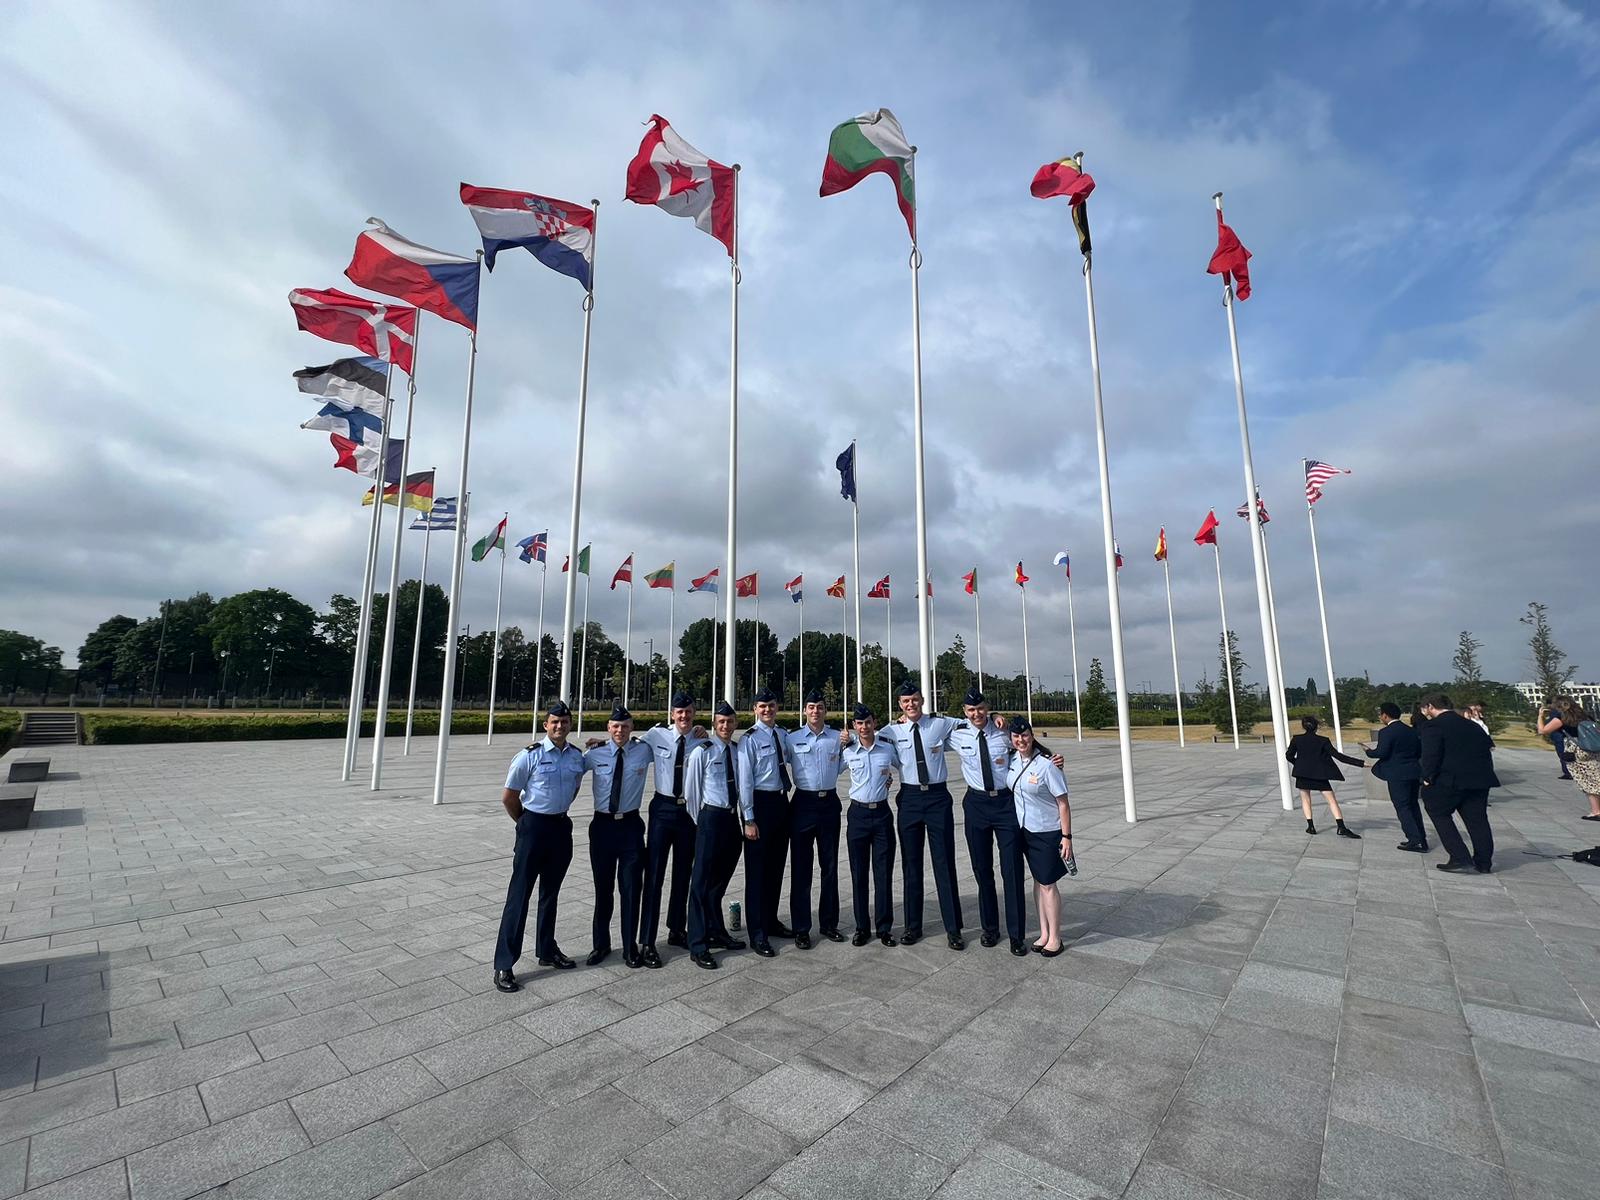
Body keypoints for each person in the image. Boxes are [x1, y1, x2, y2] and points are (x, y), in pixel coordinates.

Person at [493, 701, 589, 993]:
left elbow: (574, 787)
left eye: (564, 722)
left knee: (551, 894)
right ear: (545, 725)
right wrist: (525, 823)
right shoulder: (528, 756)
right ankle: (504, 963)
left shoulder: (576, 756)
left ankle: (547, 949)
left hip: (560, 827)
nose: (560, 726)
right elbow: (509, 796)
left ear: (570, 725)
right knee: (519, 896)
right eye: (554, 722)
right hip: (533, 827)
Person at [874, 680, 965, 950]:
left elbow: (968, 723)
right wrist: (847, 738)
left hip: (937, 797)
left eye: (914, 699)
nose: (910, 704)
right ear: (899, 705)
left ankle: (953, 929)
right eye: (905, 701)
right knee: (911, 865)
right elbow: (868, 739)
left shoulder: (939, 724)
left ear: (922, 700)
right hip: (910, 798)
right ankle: (912, 926)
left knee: (944, 863)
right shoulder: (892, 730)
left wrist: (994, 718)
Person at [948, 688, 1029, 956]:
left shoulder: (1004, 733)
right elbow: (927, 725)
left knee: (1012, 870)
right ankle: (990, 928)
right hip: (976, 805)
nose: (976, 714)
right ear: (964, 712)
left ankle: (1017, 934)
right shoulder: (957, 734)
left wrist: (1054, 759)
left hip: (1006, 804)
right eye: (971, 710)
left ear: (987, 707)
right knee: (982, 870)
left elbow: (1028, 746)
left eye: (981, 708)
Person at [638, 693, 708, 967]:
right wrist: (601, 744)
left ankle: (677, 929)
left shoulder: (701, 739)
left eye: (688, 712)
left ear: (694, 713)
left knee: (683, 873)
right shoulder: (656, 736)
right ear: (671, 714)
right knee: (654, 875)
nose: (684, 717)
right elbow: (628, 745)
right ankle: (647, 940)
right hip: (663, 810)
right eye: (679, 712)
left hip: (688, 811)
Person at [684, 702, 754, 970]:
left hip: (730, 819)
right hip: (710, 818)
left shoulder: (738, 752)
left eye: (730, 722)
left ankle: (716, 930)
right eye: (721, 722)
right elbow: (691, 793)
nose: (726, 726)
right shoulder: (703, 751)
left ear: (736, 724)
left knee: (719, 882)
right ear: (714, 725)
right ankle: (698, 943)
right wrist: (701, 822)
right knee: (700, 883)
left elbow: (745, 785)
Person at [582, 702, 652, 968]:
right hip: (602, 827)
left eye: (625, 726)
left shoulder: (644, 750)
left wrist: (700, 730)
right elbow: (571, 768)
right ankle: (601, 944)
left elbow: (676, 743)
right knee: (603, 889)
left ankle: (630, 947)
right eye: (615, 726)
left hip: (631, 827)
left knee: (631, 889)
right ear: (608, 728)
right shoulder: (594, 755)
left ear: (632, 728)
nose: (620, 730)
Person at [1004, 718, 1073, 958]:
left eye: (1024, 735)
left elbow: (1062, 803)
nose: (1020, 740)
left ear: (1032, 736)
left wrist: (1066, 836)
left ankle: (1056, 937)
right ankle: (1043, 932)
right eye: (1016, 736)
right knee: (1037, 882)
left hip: (1046, 831)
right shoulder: (1012, 761)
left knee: (1048, 884)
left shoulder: (1048, 765)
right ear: (1011, 739)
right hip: (1023, 830)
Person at [736, 687, 794, 957]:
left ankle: (771, 921)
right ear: (754, 710)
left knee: (776, 867)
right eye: (762, 706)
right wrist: (748, 817)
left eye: (771, 705)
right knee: (757, 873)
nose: (767, 710)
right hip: (759, 805)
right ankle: (757, 933)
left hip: (781, 803)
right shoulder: (749, 739)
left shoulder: (783, 735)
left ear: (776, 707)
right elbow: (745, 780)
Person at [786, 689, 846, 948]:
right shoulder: (792, 738)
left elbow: (851, 760)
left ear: (825, 710)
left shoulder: (837, 738)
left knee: (830, 866)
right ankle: (801, 927)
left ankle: (829, 923)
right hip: (802, 804)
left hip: (829, 803)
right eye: (811, 707)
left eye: (820, 707)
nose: (815, 711)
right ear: (804, 710)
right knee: (801, 868)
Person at [1417, 691, 1499, 872]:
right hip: (1479, 780)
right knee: (1478, 821)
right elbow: (1487, 748)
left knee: (1438, 812)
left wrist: (1426, 778)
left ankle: (1460, 857)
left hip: (1449, 780)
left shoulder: (1433, 727)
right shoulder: (1473, 726)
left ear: (1430, 706)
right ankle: (1484, 862)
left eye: (1425, 709)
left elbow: (1431, 756)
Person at [841, 703, 898, 946]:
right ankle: (862, 927)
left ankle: (884, 928)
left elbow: (903, 765)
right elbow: (830, 769)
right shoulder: (848, 751)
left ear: (875, 722)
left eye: (868, 722)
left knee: (883, 873)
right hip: (858, 815)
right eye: (859, 723)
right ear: (854, 726)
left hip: (882, 814)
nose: (864, 727)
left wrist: (890, 779)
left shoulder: (887, 749)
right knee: (859, 874)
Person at [1285, 716, 1365, 838]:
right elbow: (1339, 756)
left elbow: (1289, 755)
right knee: (1331, 800)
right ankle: (1341, 827)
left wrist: (1299, 764)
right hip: (1319, 775)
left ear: (1303, 726)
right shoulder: (1323, 740)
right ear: (1316, 727)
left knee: (1305, 799)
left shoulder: (1297, 739)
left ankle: (1311, 826)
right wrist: (1361, 763)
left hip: (1303, 774)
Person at [1364, 701, 1427, 852]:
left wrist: (1368, 751)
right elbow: (1419, 751)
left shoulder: (1387, 732)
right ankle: (1421, 838)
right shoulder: (1411, 730)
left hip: (1397, 775)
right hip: (1413, 772)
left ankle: (1414, 839)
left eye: (1381, 715)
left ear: (1385, 715)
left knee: (1402, 807)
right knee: (1413, 806)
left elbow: (1381, 752)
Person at [1537, 698, 1600, 820]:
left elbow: (1542, 730)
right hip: (1593, 749)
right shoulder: (1585, 716)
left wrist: (1540, 716)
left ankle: (1596, 811)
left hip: (1578, 750)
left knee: (1586, 781)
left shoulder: (1563, 718)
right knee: (1596, 777)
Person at [1540, 697, 1575, 781]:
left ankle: (1568, 772)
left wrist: (1541, 717)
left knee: (1562, 754)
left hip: (1559, 736)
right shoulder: (1568, 711)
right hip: (1565, 736)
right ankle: (1570, 771)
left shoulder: (1556, 712)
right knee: (1567, 754)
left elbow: (1546, 727)